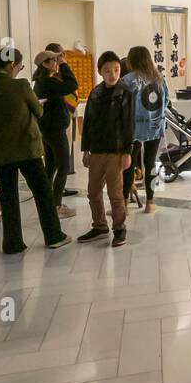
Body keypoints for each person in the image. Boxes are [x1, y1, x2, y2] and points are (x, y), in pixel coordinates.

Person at [0, 46, 70, 254]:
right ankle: (54, 235)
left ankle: (12, 243)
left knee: (9, 196)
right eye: (20, 66)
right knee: (43, 192)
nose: (20, 70)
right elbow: (38, 111)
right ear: (12, 65)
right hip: (25, 146)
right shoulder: (20, 86)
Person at [78, 50, 133, 247]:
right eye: (108, 70)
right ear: (100, 71)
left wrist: (127, 152)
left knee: (115, 193)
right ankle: (99, 226)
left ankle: (119, 228)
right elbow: (89, 122)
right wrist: (85, 150)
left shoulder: (125, 92)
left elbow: (128, 125)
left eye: (116, 70)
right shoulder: (95, 92)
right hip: (96, 151)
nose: (113, 74)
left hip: (116, 150)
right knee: (93, 191)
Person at [119, 45, 170, 214]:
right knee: (150, 163)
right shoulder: (159, 79)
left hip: (132, 128)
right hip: (155, 126)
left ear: (131, 60)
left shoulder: (127, 80)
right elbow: (166, 100)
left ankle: (124, 204)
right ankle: (150, 202)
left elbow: (121, 104)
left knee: (129, 164)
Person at [33, 48, 79, 218]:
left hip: (48, 129)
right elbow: (73, 85)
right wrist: (65, 66)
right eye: (53, 60)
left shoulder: (42, 82)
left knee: (51, 167)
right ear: (44, 64)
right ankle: (57, 206)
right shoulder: (47, 82)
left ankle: (48, 203)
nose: (56, 62)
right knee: (63, 166)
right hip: (54, 130)